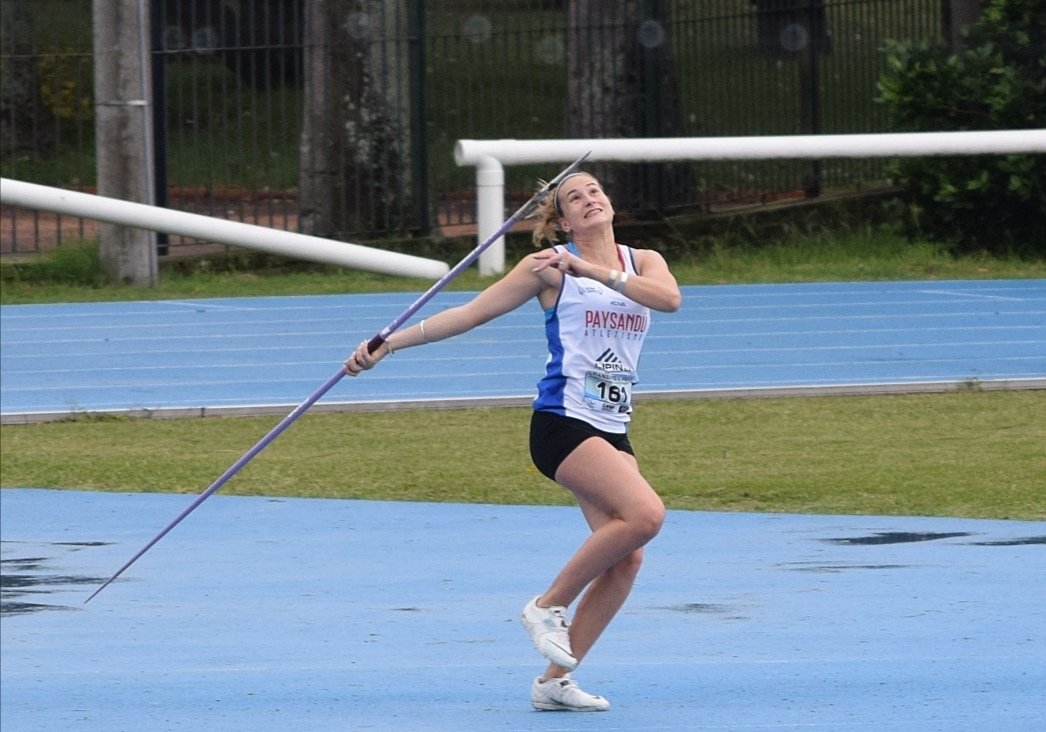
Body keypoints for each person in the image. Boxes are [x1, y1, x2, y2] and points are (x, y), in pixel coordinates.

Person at [344, 171, 682, 712]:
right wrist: (387, 345)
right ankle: (547, 606)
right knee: (645, 515)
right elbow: (468, 315)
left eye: (595, 191)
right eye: (575, 197)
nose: (589, 199)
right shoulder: (547, 267)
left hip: (613, 424)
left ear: (610, 203)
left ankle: (553, 683)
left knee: (627, 560)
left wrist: (593, 270)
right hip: (562, 422)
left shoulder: (644, 261)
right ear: (564, 221)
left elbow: (669, 300)